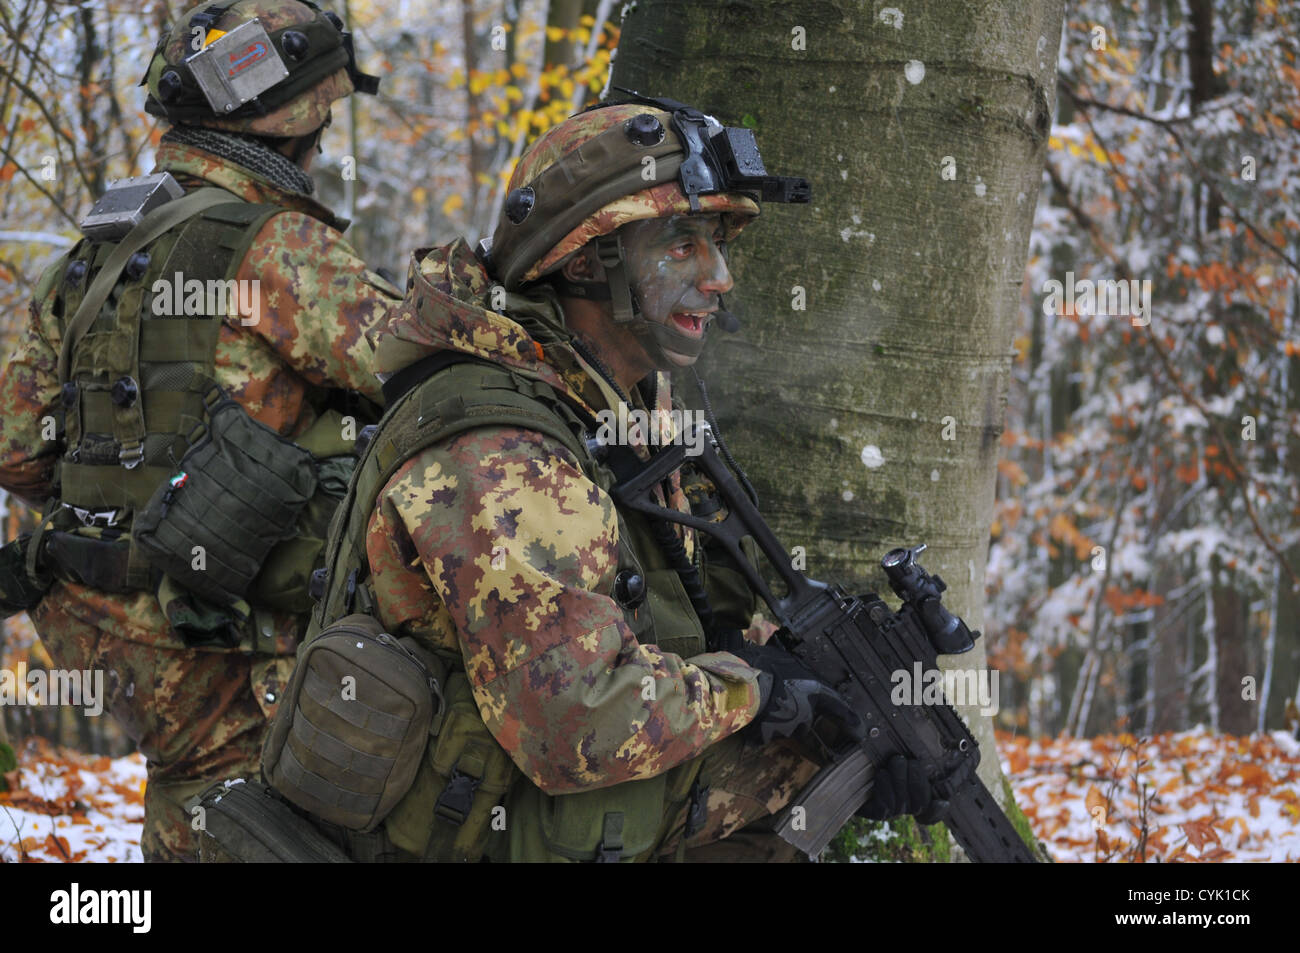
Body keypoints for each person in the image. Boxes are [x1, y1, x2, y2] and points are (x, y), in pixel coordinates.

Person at [287, 95, 949, 862]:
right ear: (583, 258)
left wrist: (840, 713)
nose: (720, 277)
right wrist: (760, 693)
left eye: (718, 243)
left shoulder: (617, 404)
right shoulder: (502, 453)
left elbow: (673, 625)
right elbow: (577, 717)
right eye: (681, 245)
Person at [0, 0, 398, 861]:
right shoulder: (277, 245)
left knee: (191, 808)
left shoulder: (86, 259)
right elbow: (415, 377)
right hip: (229, 639)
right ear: (298, 126)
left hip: (97, 628)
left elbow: (18, 453)